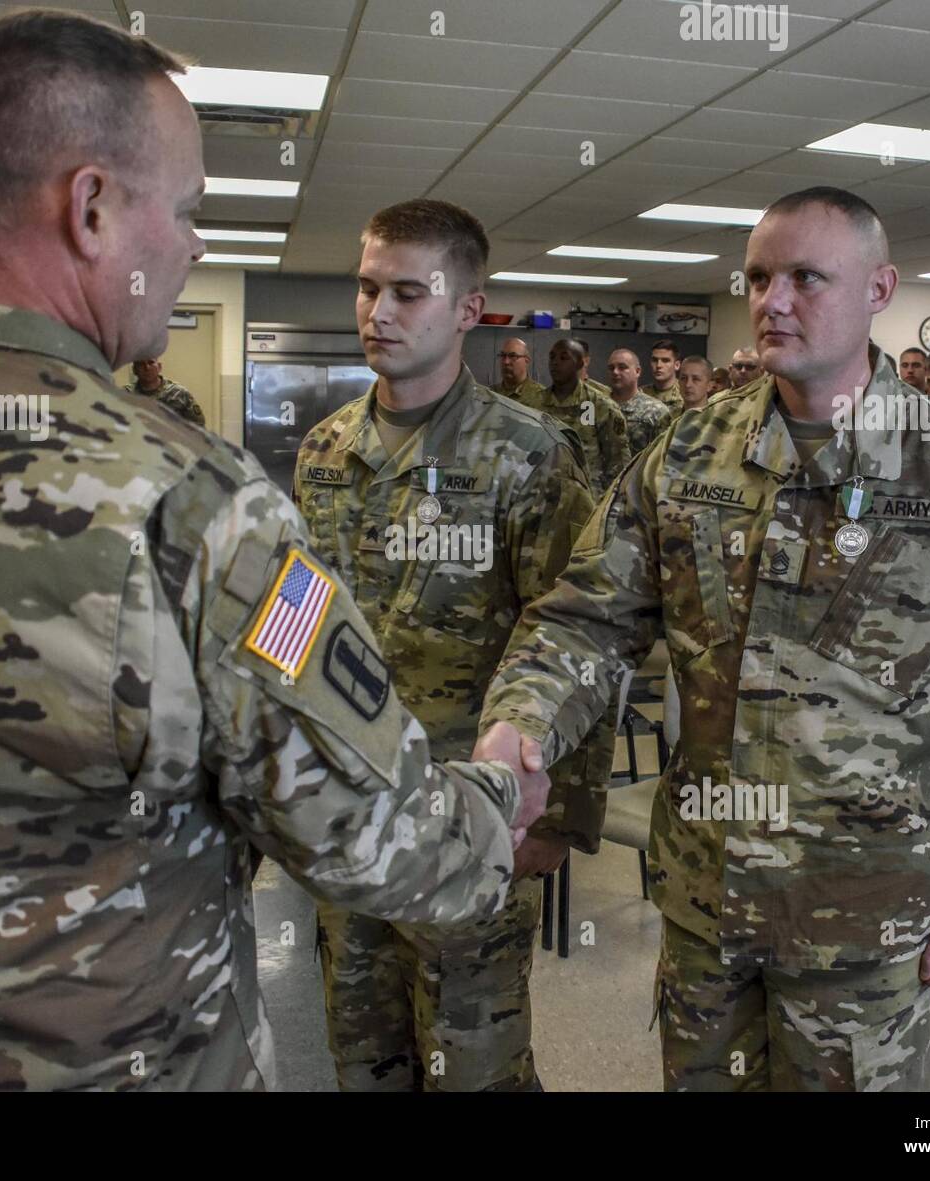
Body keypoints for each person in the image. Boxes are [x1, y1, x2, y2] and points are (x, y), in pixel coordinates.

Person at [0, 11, 551, 1093]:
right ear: (92, 207)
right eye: (187, 211)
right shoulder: (191, 501)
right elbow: (367, 832)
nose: (193, 245)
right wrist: (495, 805)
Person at [474, 186, 930, 1093]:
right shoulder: (689, 454)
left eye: (807, 276)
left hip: (872, 937)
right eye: (759, 277)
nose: (773, 300)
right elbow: (582, 616)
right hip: (705, 912)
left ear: (879, 289)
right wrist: (520, 724)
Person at [293, 198, 605, 1093]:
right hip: (350, 809)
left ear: (469, 309)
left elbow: (580, 633)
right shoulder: (326, 448)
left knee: (476, 1061)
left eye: (406, 291)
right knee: (364, 1051)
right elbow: (302, 623)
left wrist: (560, 812)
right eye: (365, 289)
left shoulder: (526, 454)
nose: (377, 312)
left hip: (471, 813)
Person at [515, 337, 630, 499]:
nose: (555, 362)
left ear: (580, 363)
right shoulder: (532, 403)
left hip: (586, 499)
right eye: (552, 357)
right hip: (540, 498)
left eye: (564, 358)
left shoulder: (600, 405)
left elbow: (618, 463)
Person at [608, 346, 672, 453]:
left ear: (637, 371)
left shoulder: (656, 411)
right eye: (611, 368)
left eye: (622, 367)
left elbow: (662, 456)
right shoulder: (594, 405)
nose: (615, 372)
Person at [124, 355, 205, 426]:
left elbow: (198, 426)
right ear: (134, 370)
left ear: (159, 367)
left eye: (151, 362)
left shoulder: (179, 393)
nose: (147, 367)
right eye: (141, 364)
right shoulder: (125, 394)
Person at [493, 336, 545, 400]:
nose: (506, 362)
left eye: (513, 356)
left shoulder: (541, 396)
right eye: (503, 355)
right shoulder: (491, 393)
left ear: (527, 360)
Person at [641, 338, 684, 414]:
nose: (658, 365)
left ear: (677, 365)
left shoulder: (686, 392)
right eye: (655, 360)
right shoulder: (641, 394)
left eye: (665, 360)